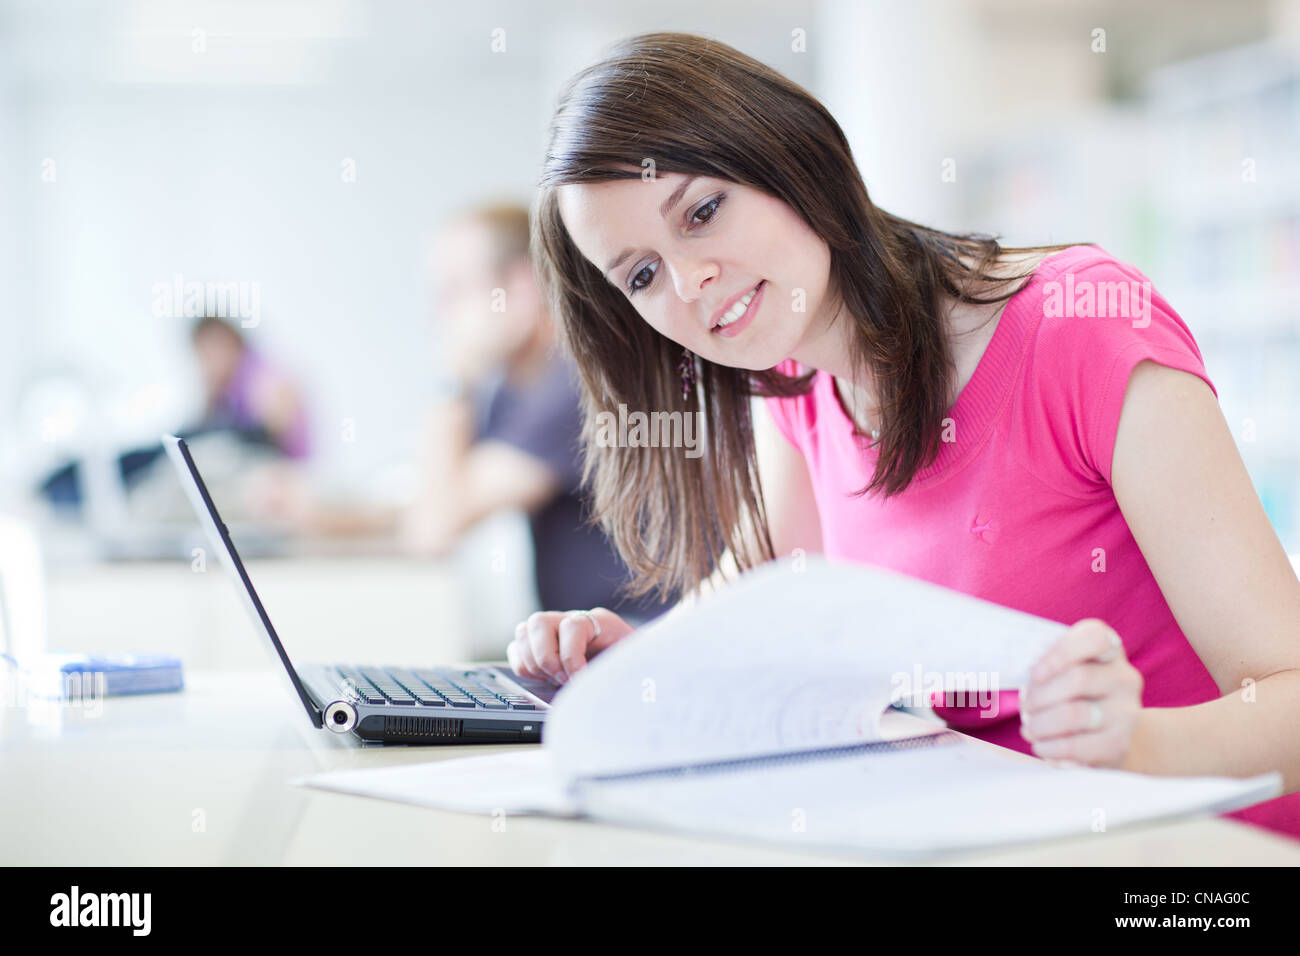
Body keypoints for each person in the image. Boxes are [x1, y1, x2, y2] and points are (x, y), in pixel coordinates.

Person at [505, 31, 1300, 840]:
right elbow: (742, 621)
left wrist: (1138, 743)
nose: (689, 281)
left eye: (704, 212)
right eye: (641, 274)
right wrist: (624, 659)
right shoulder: (796, 388)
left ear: (793, 157)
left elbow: (1291, 691)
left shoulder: (1079, 327)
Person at [285, 204, 674, 626]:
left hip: (641, 633)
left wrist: (453, 380)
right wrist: (326, 518)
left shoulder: (575, 385)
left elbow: (432, 531)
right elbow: (435, 497)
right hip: (590, 632)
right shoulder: (515, 388)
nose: (439, 317)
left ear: (522, 286)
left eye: (454, 292)